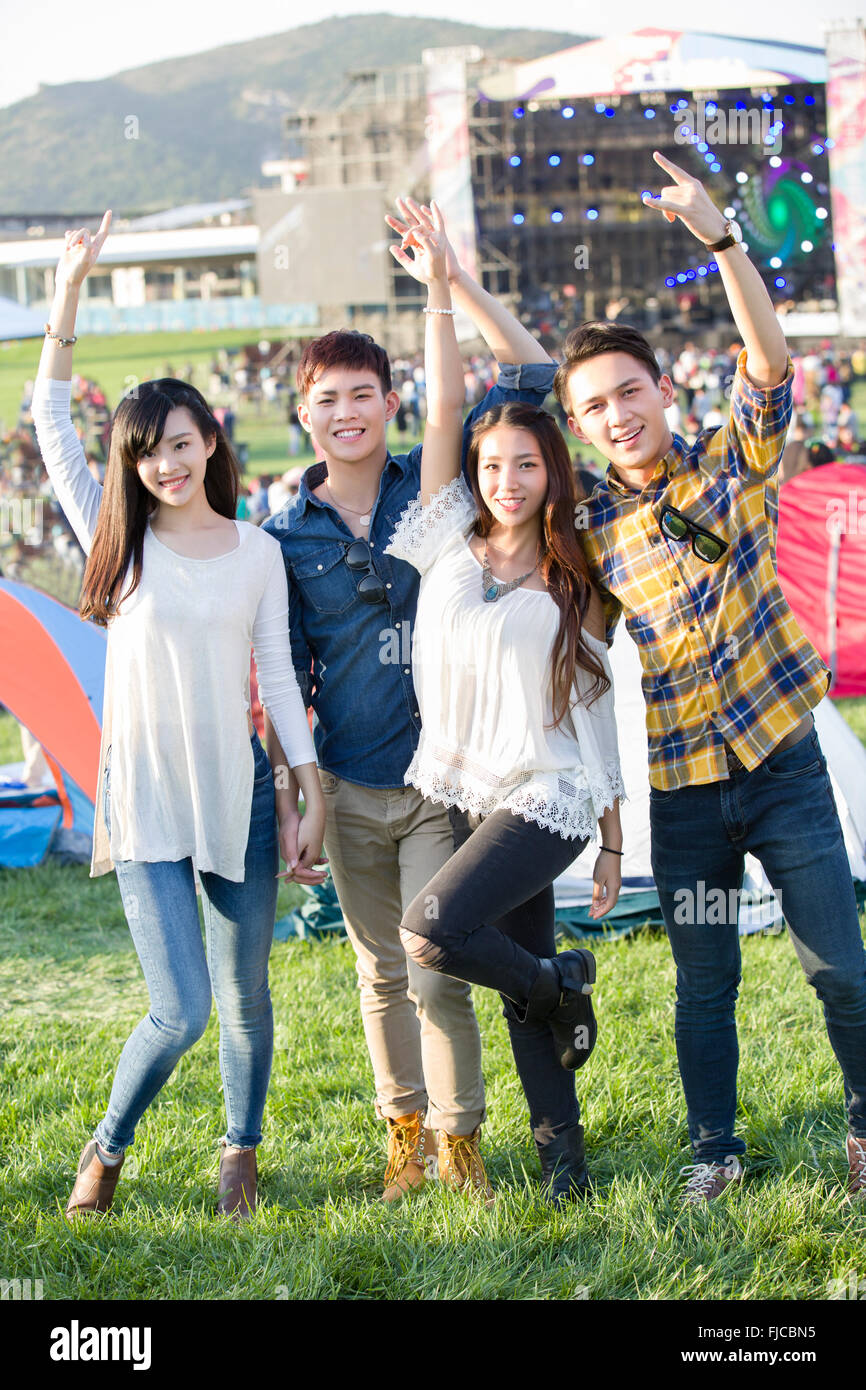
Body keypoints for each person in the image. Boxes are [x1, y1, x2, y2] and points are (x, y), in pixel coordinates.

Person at [555, 152, 866, 1204]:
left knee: (842, 970)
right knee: (704, 984)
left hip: (784, 771)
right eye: (591, 406)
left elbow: (768, 364)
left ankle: (864, 1128)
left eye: (626, 391)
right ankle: (713, 1149)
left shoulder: (729, 463)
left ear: (659, 389)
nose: (613, 414)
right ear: (581, 425)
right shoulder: (587, 527)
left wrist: (721, 239)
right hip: (682, 794)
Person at [31, 213, 324, 1223]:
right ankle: (106, 1146)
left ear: (210, 445)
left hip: (240, 795)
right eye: (150, 451)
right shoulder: (118, 537)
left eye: (182, 445)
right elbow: (49, 417)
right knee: (183, 1007)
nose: (167, 463)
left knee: (246, 996)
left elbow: (279, 681)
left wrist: (306, 791)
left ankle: (239, 1153)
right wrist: (69, 292)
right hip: (147, 798)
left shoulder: (256, 551)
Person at [262, 197, 556, 1202]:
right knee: (378, 973)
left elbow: (456, 408)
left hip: (436, 778)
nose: (344, 412)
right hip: (345, 786)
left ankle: (459, 1135)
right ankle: (403, 1136)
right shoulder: (282, 535)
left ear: (384, 399)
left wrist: (436, 286)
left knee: (435, 967)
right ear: (301, 411)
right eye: (324, 398)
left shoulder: (427, 500)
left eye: (360, 393)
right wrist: (293, 797)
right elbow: (282, 673)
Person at [385, 203, 624, 1205]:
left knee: (429, 930)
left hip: (547, 795)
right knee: (517, 960)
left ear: (551, 469)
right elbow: (450, 405)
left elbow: (597, 711)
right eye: (494, 466)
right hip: (467, 789)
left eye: (527, 462)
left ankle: (555, 981)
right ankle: (563, 1167)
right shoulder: (447, 539)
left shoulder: (576, 565)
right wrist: (436, 287)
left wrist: (609, 838)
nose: (508, 478)